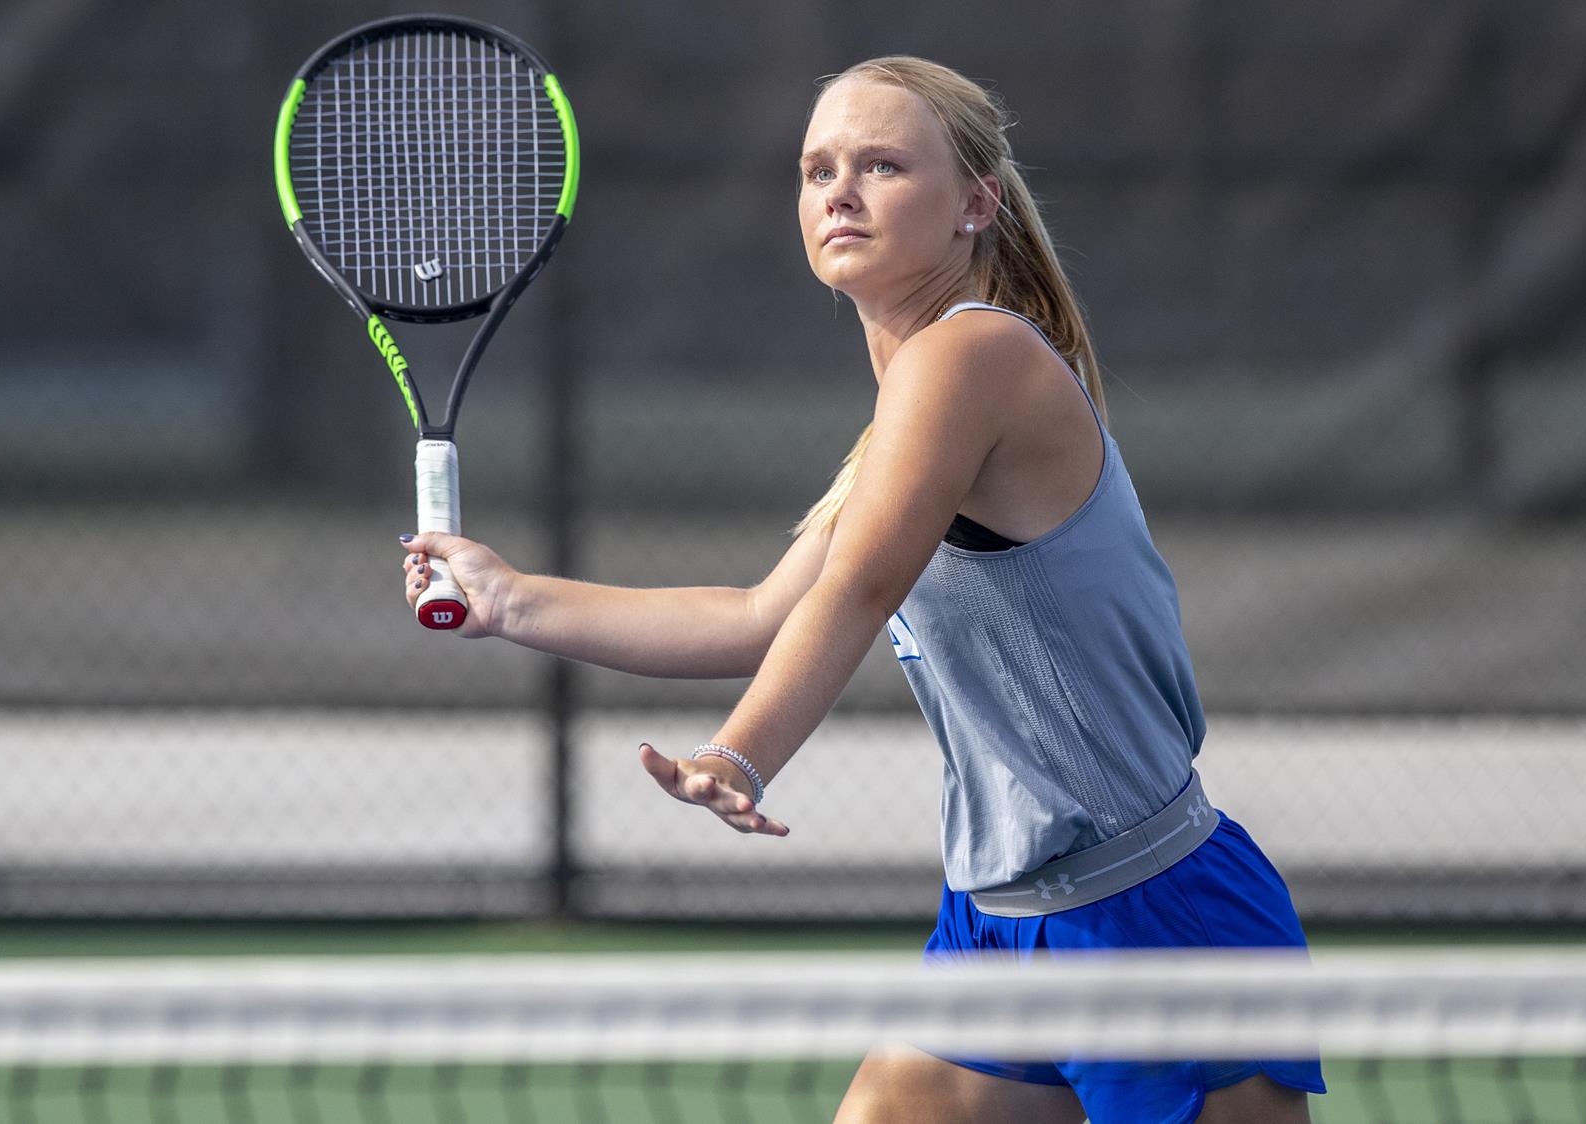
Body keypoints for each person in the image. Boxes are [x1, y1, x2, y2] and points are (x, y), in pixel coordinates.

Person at [400, 55, 1323, 1124]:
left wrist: (737, 753)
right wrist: (509, 597)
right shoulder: (902, 413)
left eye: (881, 165)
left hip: (1147, 920)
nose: (837, 191)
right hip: (997, 920)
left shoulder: (969, 358)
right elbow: (758, 616)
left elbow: (860, 587)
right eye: (815, 168)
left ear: (975, 204)